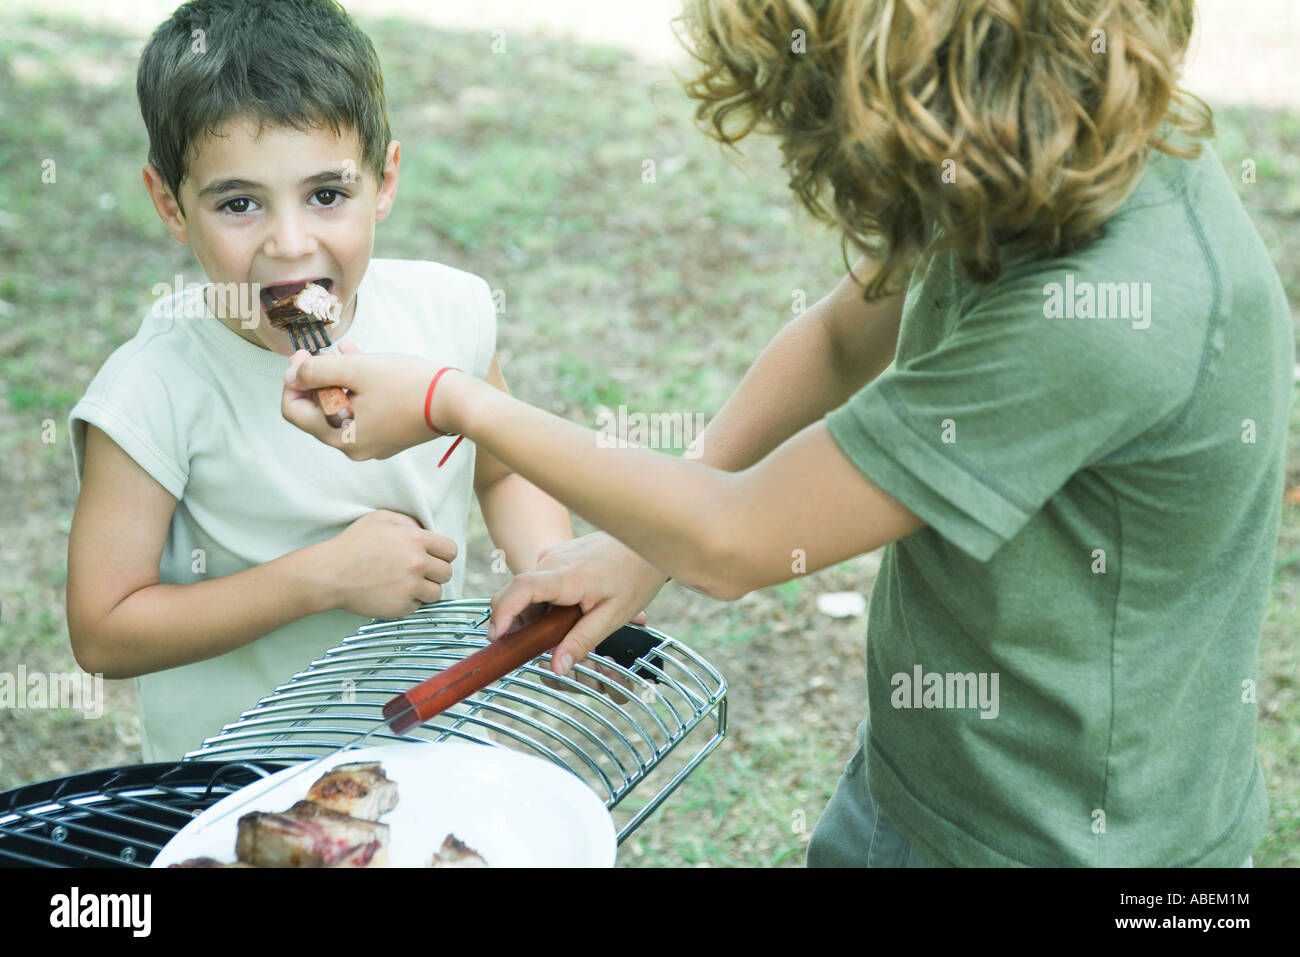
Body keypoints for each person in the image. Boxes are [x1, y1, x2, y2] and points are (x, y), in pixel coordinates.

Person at [280, 0, 1292, 867]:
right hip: (929, 781)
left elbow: (738, 539)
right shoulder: (1040, 144)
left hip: (1070, 842)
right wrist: (647, 534)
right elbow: (842, 336)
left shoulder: (1107, 312)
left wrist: (454, 401)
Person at [62, 0, 627, 762]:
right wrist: (320, 579)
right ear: (171, 204)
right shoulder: (153, 388)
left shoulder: (449, 312)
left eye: (326, 194)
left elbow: (502, 473)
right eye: (238, 203)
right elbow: (103, 629)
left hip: (433, 738)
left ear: (384, 181)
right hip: (239, 781)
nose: (289, 244)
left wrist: (547, 570)